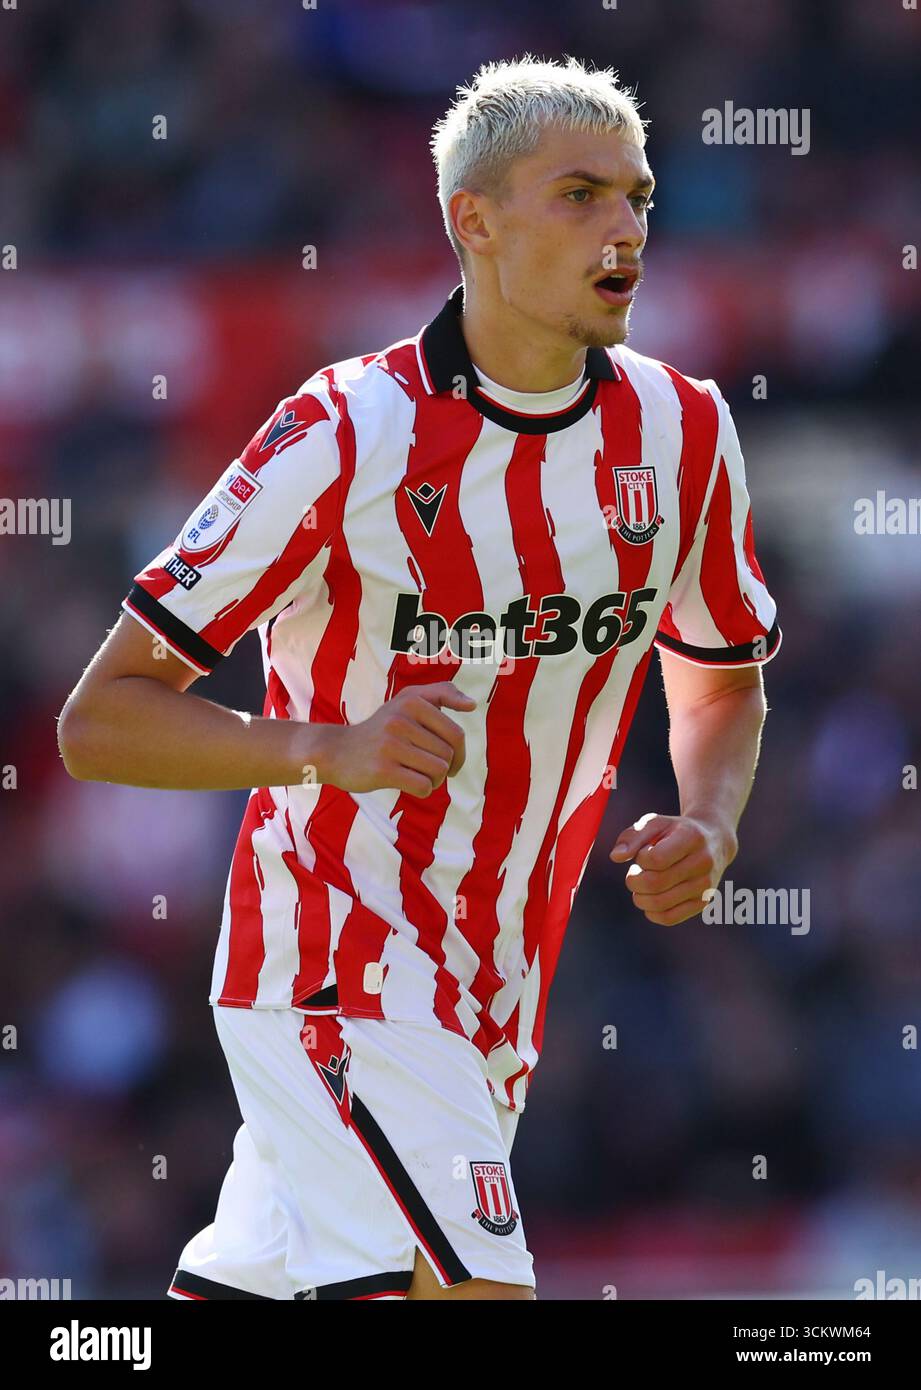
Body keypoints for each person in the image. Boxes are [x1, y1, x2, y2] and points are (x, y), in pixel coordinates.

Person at [57, 55, 780, 1302]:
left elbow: (719, 677)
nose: (626, 228)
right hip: (339, 954)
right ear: (474, 221)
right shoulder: (347, 432)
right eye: (582, 194)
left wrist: (712, 821)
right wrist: (318, 747)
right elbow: (96, 722)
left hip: (498, 988)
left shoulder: (684, 432)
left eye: (640, 197)